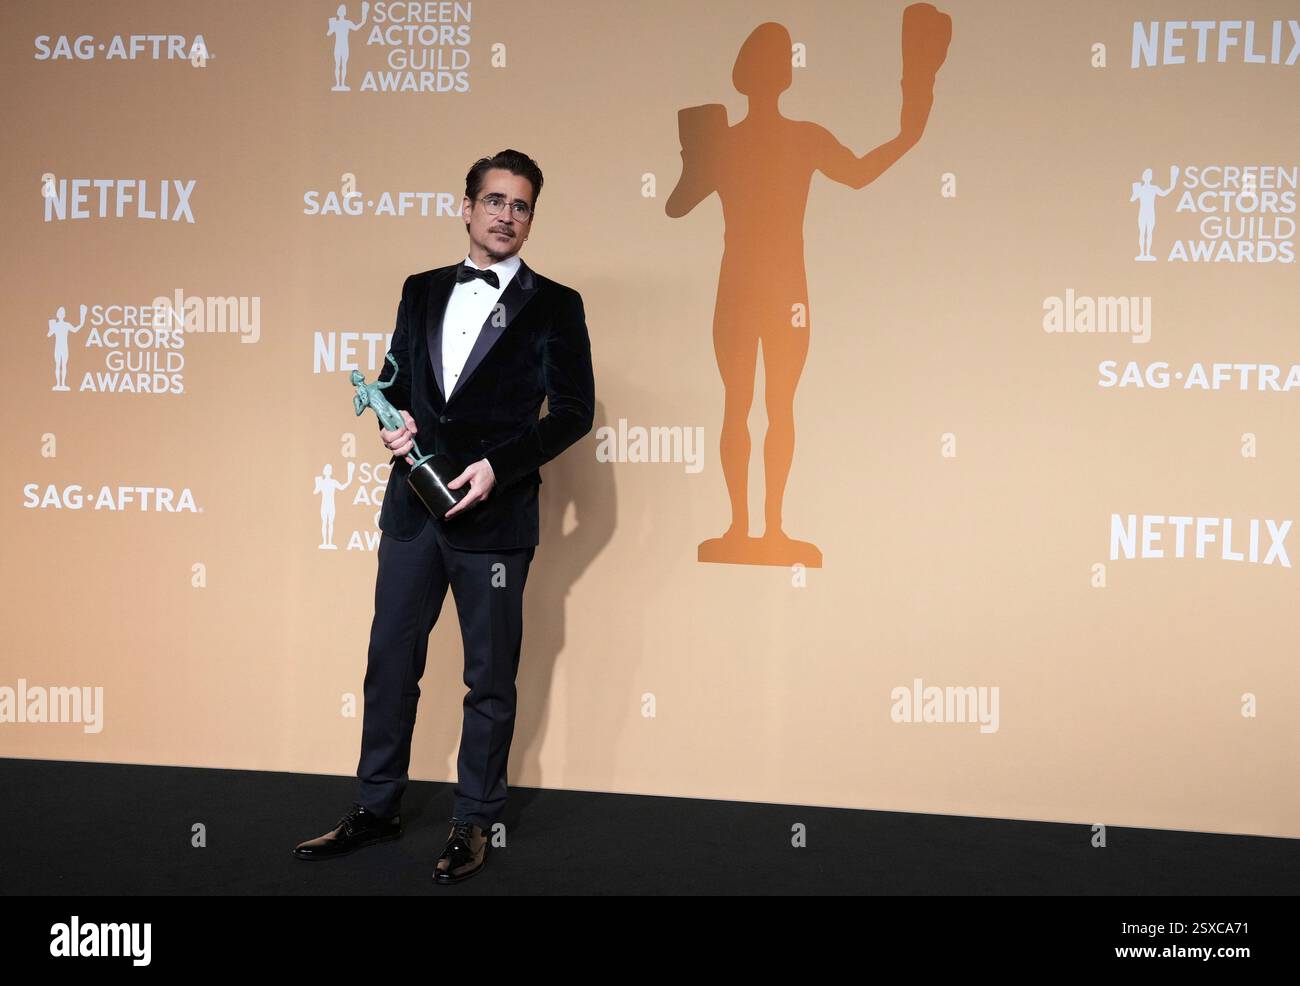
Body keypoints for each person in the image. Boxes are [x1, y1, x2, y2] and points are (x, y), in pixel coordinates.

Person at [292, 149, 596, 883]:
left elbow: (575, 414)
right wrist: (393, 429)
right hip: (413, 512)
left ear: (531, 219)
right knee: (389, 661)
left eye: (521, 206)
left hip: (494, 521)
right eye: (494, 201)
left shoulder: (557, 304)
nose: (506, 216)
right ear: (466, 208)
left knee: (489, 678)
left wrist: (500, 467)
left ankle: (473, 822)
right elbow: (397, 380)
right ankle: (375, 808)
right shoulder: (421, 290)